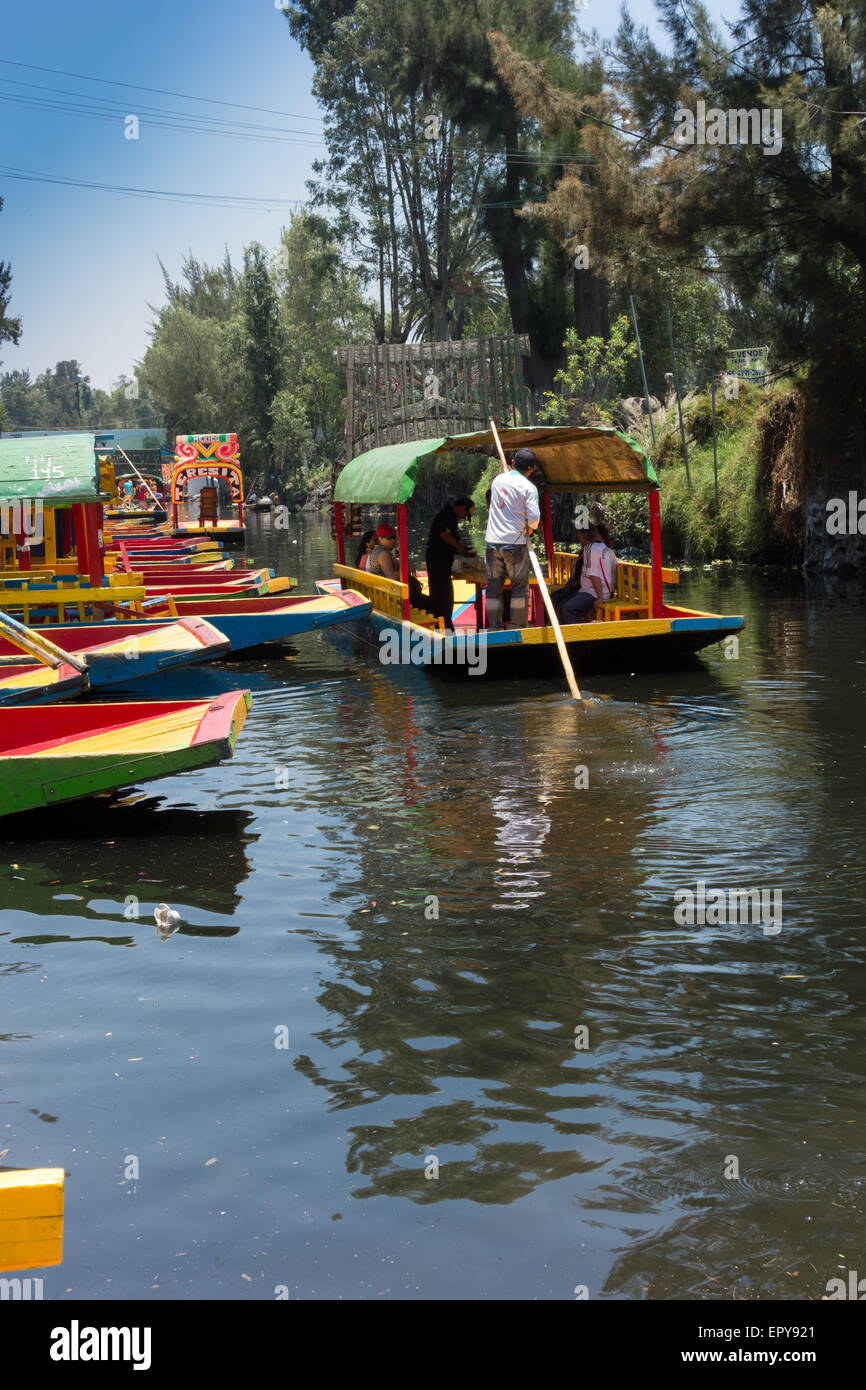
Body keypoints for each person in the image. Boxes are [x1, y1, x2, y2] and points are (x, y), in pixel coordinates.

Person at [484, 447, 541, 630]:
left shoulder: (497, 480)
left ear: (513, 463)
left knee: (493, 587)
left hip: (492, 543)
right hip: (514, 544)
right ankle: (516, 625)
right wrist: (530, 528)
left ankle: (494, 626)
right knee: (518, 587)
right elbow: (534, 518)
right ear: (532, 469)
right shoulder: (529, 488)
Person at [425, 495, 476, 630]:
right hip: (437, 562)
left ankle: (445, 624)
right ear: (461, 507)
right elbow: (443, 535)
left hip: (443, 563)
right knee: (443, 597)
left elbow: (449, 542)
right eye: (466, 514)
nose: (464, 518)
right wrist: (461, 548)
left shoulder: (451, 518)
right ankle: (444, 626)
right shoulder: (447, 515)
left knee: (444, 597)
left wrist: (463, 551)